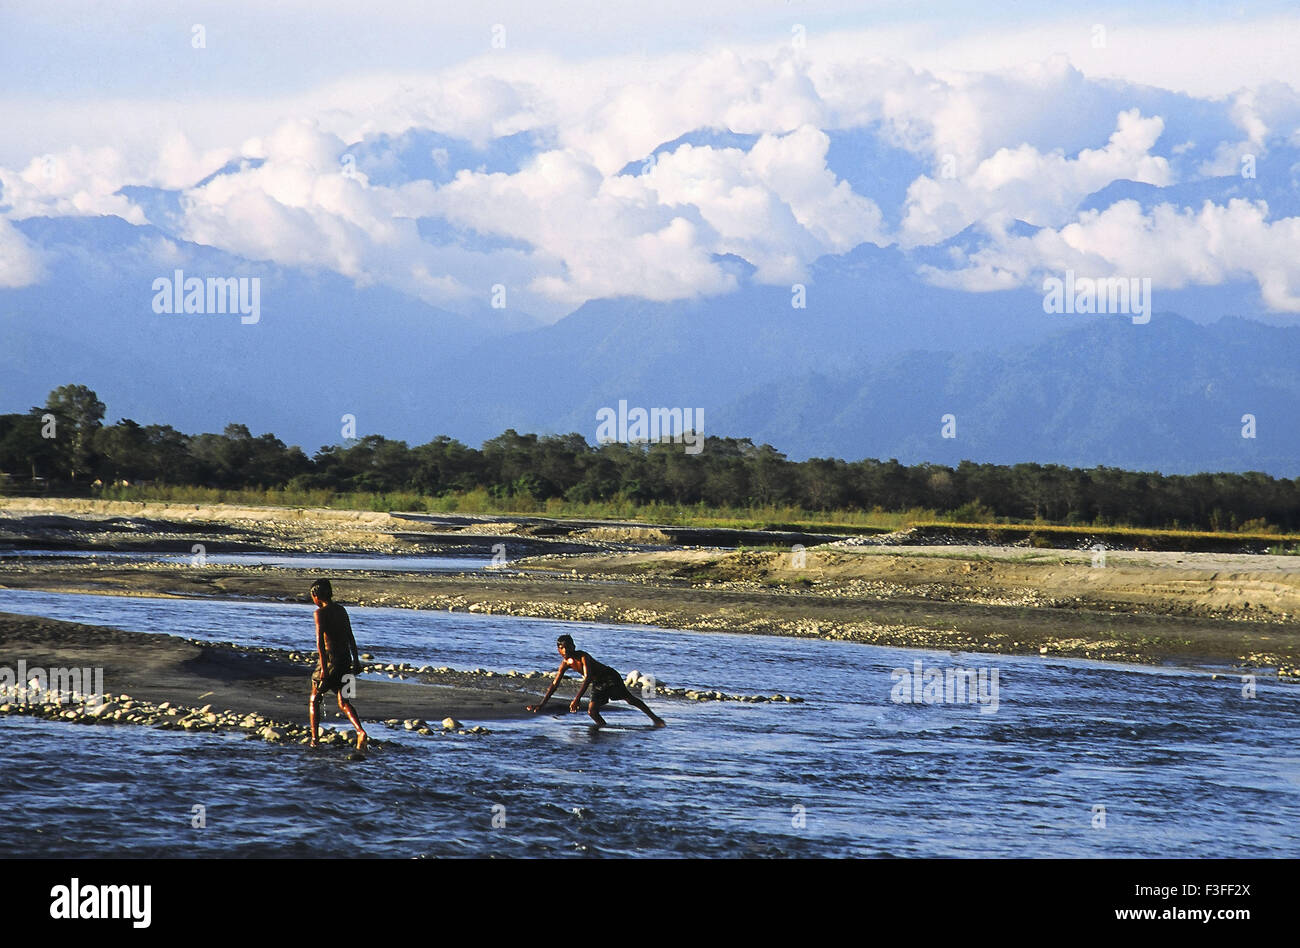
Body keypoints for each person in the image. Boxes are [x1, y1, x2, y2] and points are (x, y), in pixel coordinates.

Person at [526, 634, 666, 728]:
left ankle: (656, 719)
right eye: (563, 648)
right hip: (598, 683)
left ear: (574, 647)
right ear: (559, 650)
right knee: (591, 712)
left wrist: (576, 699)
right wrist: (542, 704)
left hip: (609, 677)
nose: (567, 650)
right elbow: (555, 684)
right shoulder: (565, 664)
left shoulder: (583, 657)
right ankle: (602, 728)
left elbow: (587, 678)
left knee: (629, 699)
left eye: (569, 647)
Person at [308, 579, 368, 752]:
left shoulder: (320, 613)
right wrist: (356, 661)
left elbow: (320, 643)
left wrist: (324, 670)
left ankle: (314, 740)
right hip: (346, 661)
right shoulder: (342, 610)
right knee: (344, 701)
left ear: (316, 596)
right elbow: (351, 637)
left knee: (314, 698)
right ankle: (360, 731)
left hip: (331, 662)